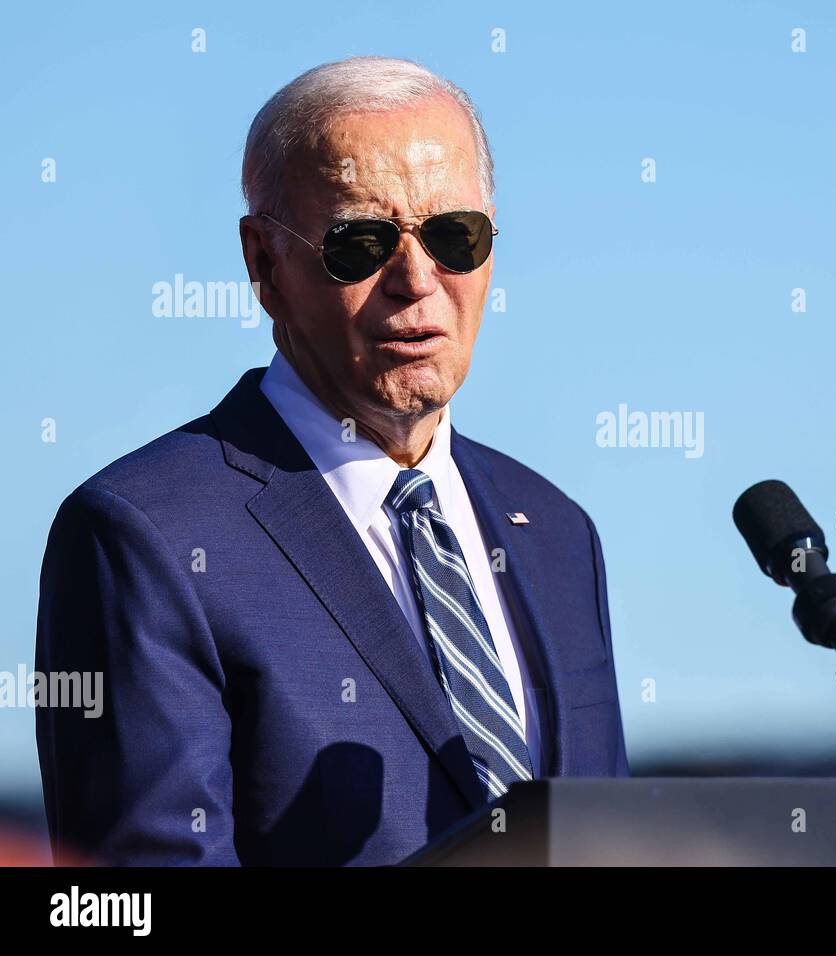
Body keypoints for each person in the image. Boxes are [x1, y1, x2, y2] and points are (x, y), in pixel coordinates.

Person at [35, 56, 629, 866]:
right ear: (265, 265)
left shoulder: (556, 530)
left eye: (456, 236)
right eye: (361, 242)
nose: (417, 281)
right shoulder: (146, 535)